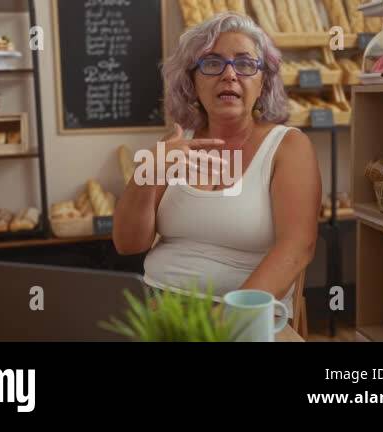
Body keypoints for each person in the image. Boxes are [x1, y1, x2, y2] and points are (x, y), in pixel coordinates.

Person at [113, 12, 321, 313]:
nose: (229, 74)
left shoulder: (288, 146)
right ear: (192, 82)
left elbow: (298, 248)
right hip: (159, 303)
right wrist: (148, 172)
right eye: (212, 63)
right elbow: (127, 244)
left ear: (263, 82)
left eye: (245, 63)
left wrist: (228, 318)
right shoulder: (173, 143)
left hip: (246, 312)